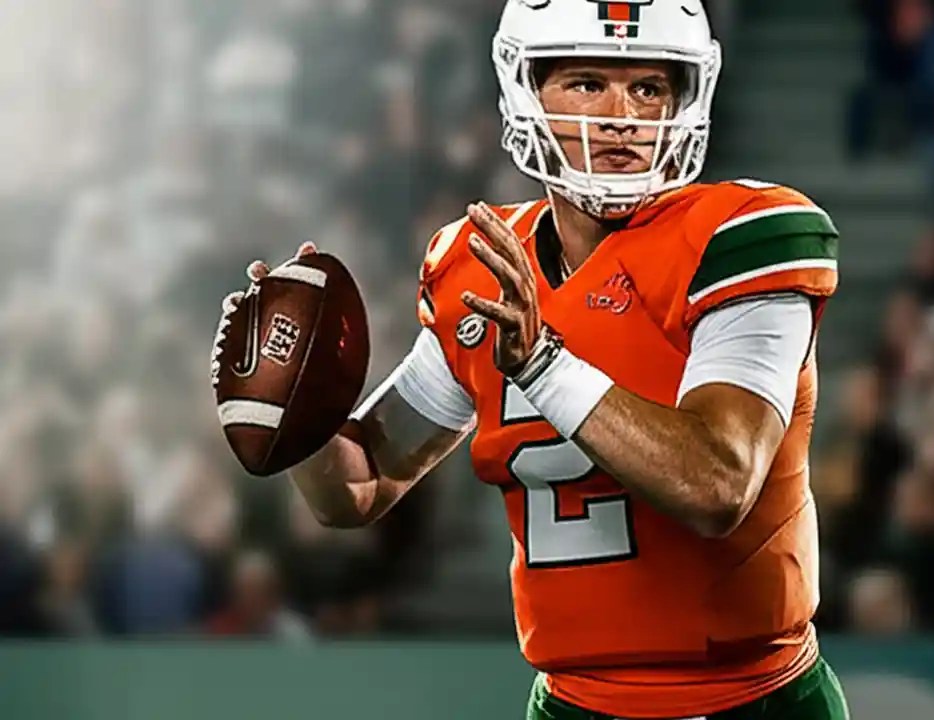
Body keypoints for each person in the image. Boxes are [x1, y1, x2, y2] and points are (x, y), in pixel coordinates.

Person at [212, 2, 848, 718]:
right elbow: (357, 491)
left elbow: (718, 484)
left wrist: (543, 363)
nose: (622, 115)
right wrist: (298, 410)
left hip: (752, 702)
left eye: (649, 88)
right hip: (572, 705)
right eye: (586, 82)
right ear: (526, 90)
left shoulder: (741, 238)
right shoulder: (480, 264)